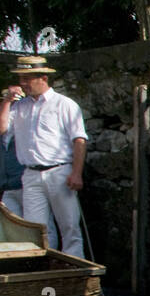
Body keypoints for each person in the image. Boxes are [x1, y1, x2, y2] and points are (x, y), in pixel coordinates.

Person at [0, 56, 88, 258]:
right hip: (30, 174)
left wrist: (77, 173)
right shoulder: (19, 107)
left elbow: (79, 140)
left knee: (69, 227)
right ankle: (43, 270)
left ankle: (74, 271)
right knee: (36, 229)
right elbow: (2, 128)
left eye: (27, 79)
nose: (23, 84)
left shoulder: (64, 104)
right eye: (21, 79)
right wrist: (6, 101)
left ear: (43, 78)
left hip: (60, 171)